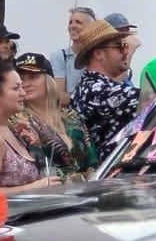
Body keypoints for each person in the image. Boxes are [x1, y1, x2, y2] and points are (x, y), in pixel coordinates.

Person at [0, 53, 59, 194]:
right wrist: (34, 187)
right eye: (16, 88)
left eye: (21, 87)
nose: (23, 93)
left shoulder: (6, 127)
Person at [10, 52, 97, 180]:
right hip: (49, 194)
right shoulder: (17, 121)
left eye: (33, 77)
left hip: (86, 191)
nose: (26, 83)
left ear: (48, 80)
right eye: (21, 79)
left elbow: (92, 158)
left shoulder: (71, 116)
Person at [70, 18, 141, 152]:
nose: (125, 51)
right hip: (111, 170)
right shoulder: (98, 90)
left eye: (125, 46)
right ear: (98, 54)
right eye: (120, 46)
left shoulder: (89, 86)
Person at [49, 7, 96, 98]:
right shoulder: (59, 56)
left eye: (78, 22)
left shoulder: (99, 55)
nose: (72, 26)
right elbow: (59, 96)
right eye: (70, 22)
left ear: (91, 27)